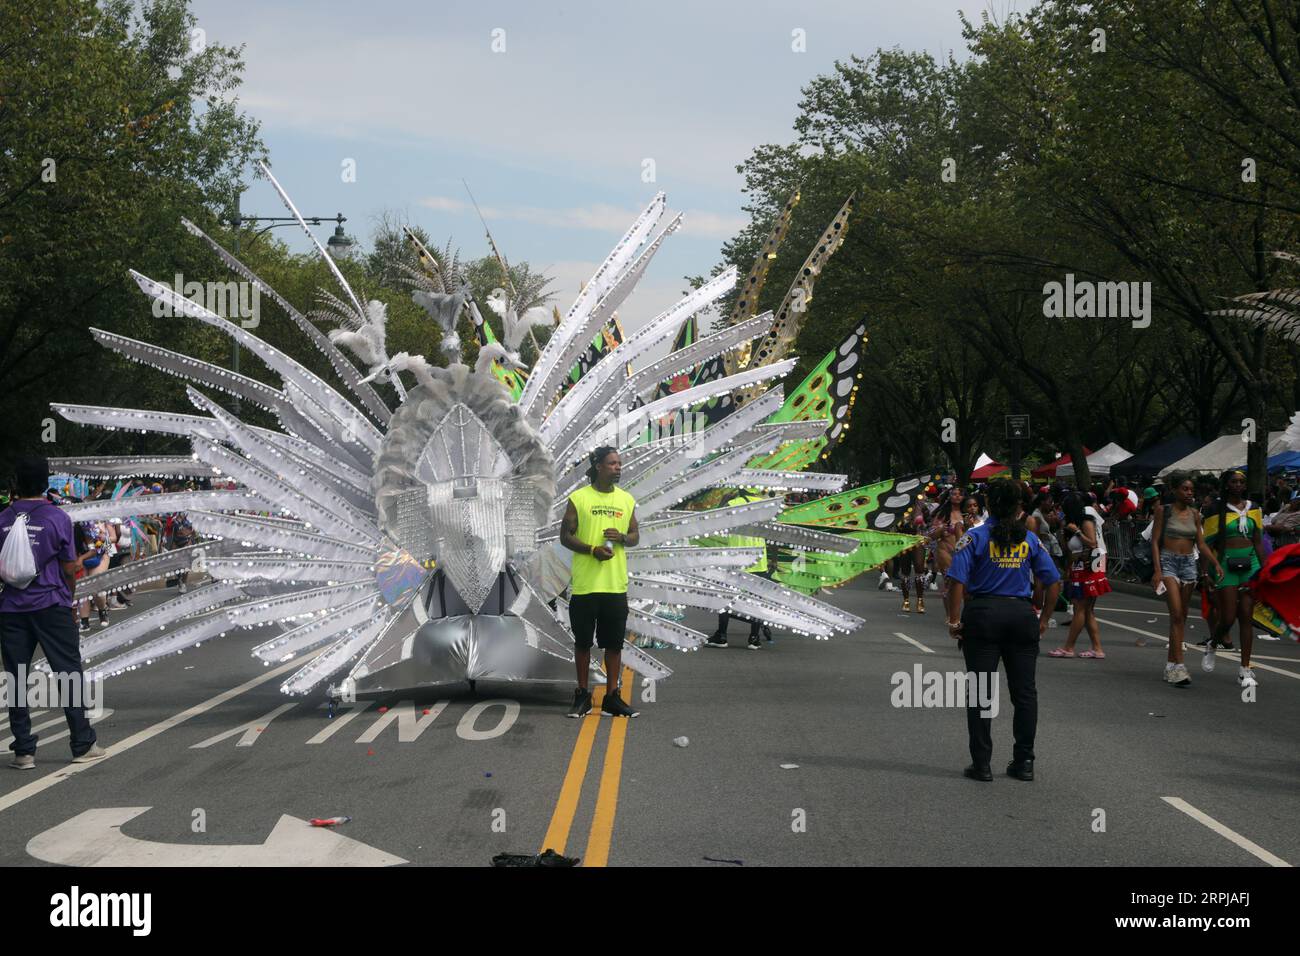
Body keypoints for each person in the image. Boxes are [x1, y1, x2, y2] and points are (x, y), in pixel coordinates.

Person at [946, 479, 1061, 782]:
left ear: (988, 505)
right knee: (1024, 693)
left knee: (981, 693)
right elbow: (1053, 582)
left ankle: (981, 764)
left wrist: (954, 621)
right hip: (1022, 616)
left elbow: (956, 581)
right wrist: (1044, 619)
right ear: (1019, 506)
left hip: (983, 616)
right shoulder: (1031, 540)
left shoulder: (974, 537)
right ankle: (1024, 762)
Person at [0, 457, 106, 769]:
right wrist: (68, 600)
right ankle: (82, 743)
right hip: (51, 604)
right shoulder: (57, 517)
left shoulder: (3, 518)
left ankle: (23, 750)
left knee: (17, 677)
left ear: (16, 484)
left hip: (11, 608)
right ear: (46, 483)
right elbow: (70, 567)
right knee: (68, 673)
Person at [559, 446, 640, 718]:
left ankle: (611, 697)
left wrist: (621, 538)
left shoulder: (626, 500)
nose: (618, 467)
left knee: (614, 644)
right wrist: (592, 550)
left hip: (615, 585)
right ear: (597, 467)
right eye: (612, 463)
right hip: (585, 585)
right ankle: (582, 696)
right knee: (583, 643)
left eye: (619, 463)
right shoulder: (579, 498)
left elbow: (634, 535)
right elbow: (565, 537)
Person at [1150, 474, 1223, 687]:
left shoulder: (1195, 514)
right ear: (1175, 490)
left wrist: (1215, 563)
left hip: (1189, 564)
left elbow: (1200, 544)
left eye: (1191, 489)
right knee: (1175, 613)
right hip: (1168, 562)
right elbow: (1155, 542)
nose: (1189, 493)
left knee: (1181, 616)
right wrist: (1157, 570)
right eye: (1185, 489)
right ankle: (1179, 666)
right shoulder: (1163, 511)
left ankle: (1171, 665)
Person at [1200, 470, 1266, 688]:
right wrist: (1205, 573)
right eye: (1234, 482)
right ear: (1226, 485)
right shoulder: (1214, 509)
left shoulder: (1254, 508)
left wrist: (1264, 570)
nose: (1238, 485)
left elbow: (1258, 541)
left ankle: (1244, 669)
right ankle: (1213, 643)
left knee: (1246, 615)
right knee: (1228, 618)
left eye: (1241, 482)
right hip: (1224, 565)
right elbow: (1206, 545)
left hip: (1251, 565)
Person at [1050, 492, 1110, 658]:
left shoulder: (1085, 522)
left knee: (1080, 609)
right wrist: (1064, 530)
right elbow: (1068, 549)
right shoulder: (1071, 524)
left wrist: (1076, 532)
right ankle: (1097, 648)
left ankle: (1069, 647)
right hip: (1079, 567)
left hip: (1088, 568)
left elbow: (1092, 543)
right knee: (1088, 610)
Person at [929, 486, 967, 623]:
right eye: (954, 494)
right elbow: (931, 535)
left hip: (964, 552)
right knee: (949, 582)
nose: (957, 496)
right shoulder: (942, 514)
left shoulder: (968, 512)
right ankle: (950, 615)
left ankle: (962, 614)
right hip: (945, 550)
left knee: (964, 584)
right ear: (949, 496)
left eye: (960, 494)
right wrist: (940, 530)